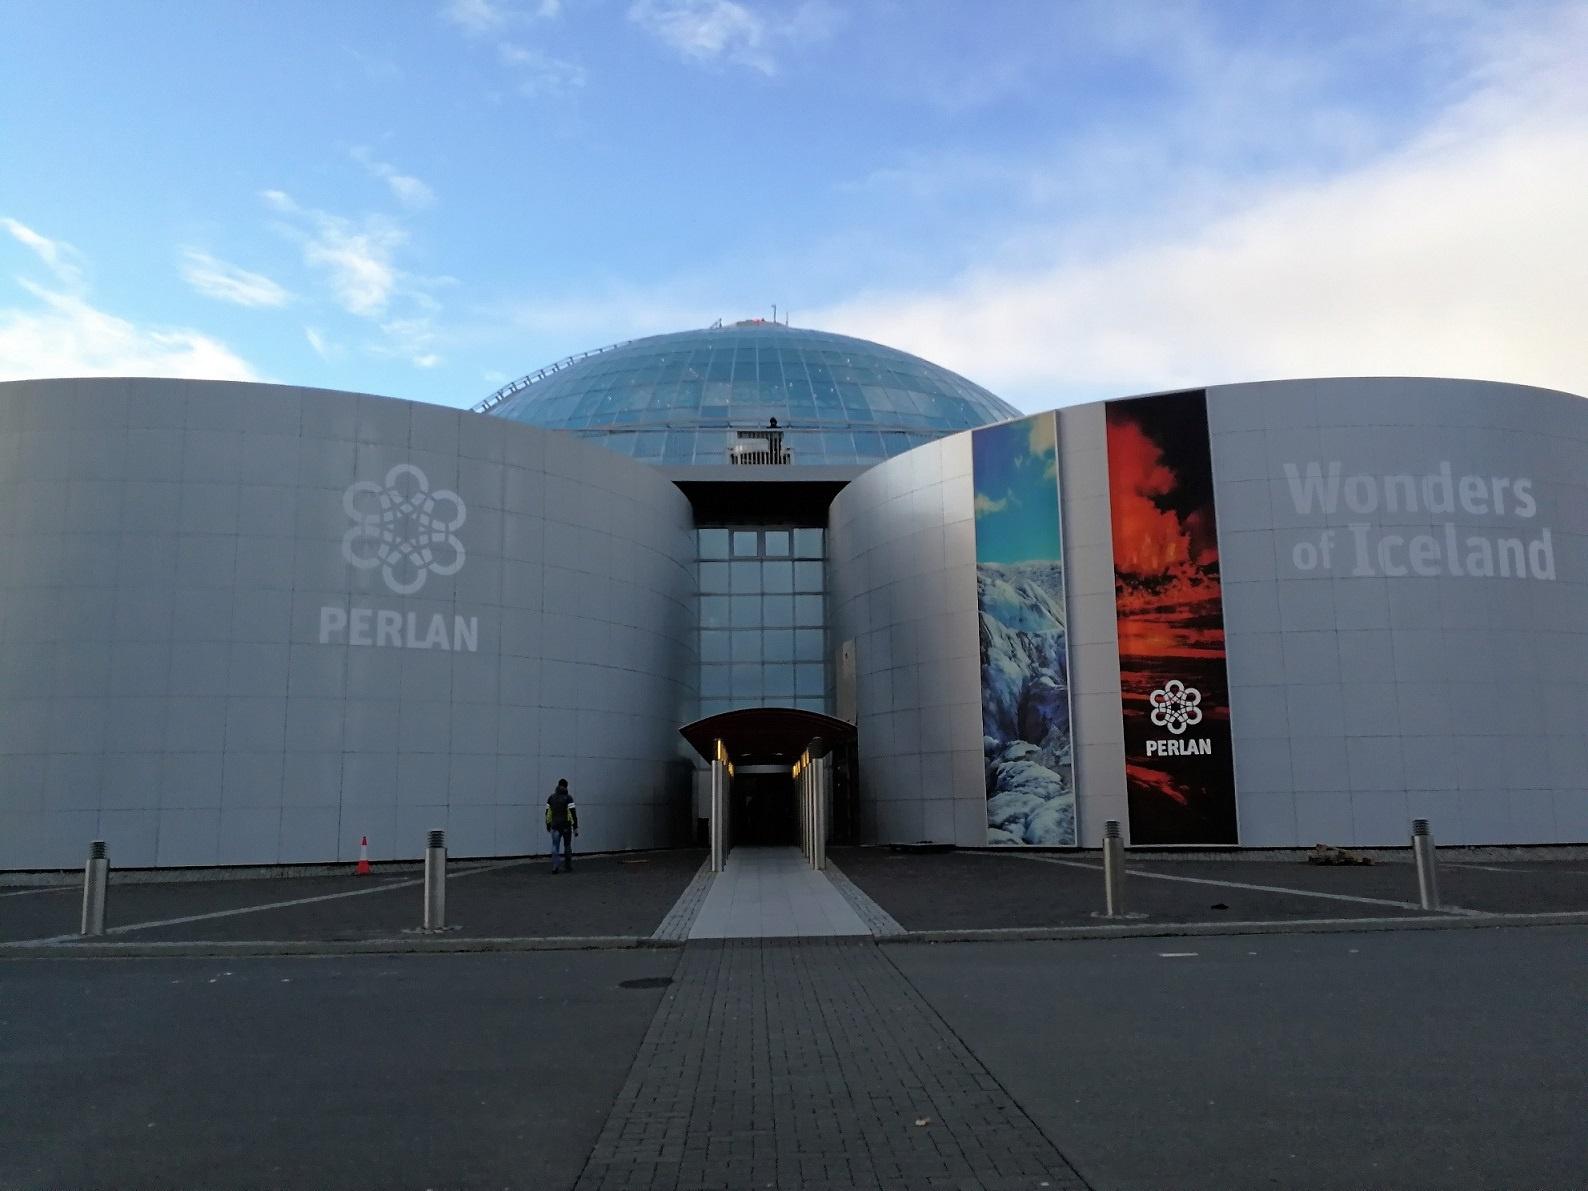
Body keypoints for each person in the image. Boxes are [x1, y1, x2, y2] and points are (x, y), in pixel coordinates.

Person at [545, 778, 578, 873]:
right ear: (566, 786)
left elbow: (547, 812)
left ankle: (555, 866)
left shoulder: (551, 798)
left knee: (555, 846)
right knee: (567, 845)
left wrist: (548, 824)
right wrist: (575, 826)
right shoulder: (568, 798)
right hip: (566, 826)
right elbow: (573, 813)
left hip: (555, 826)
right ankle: (568, 866)